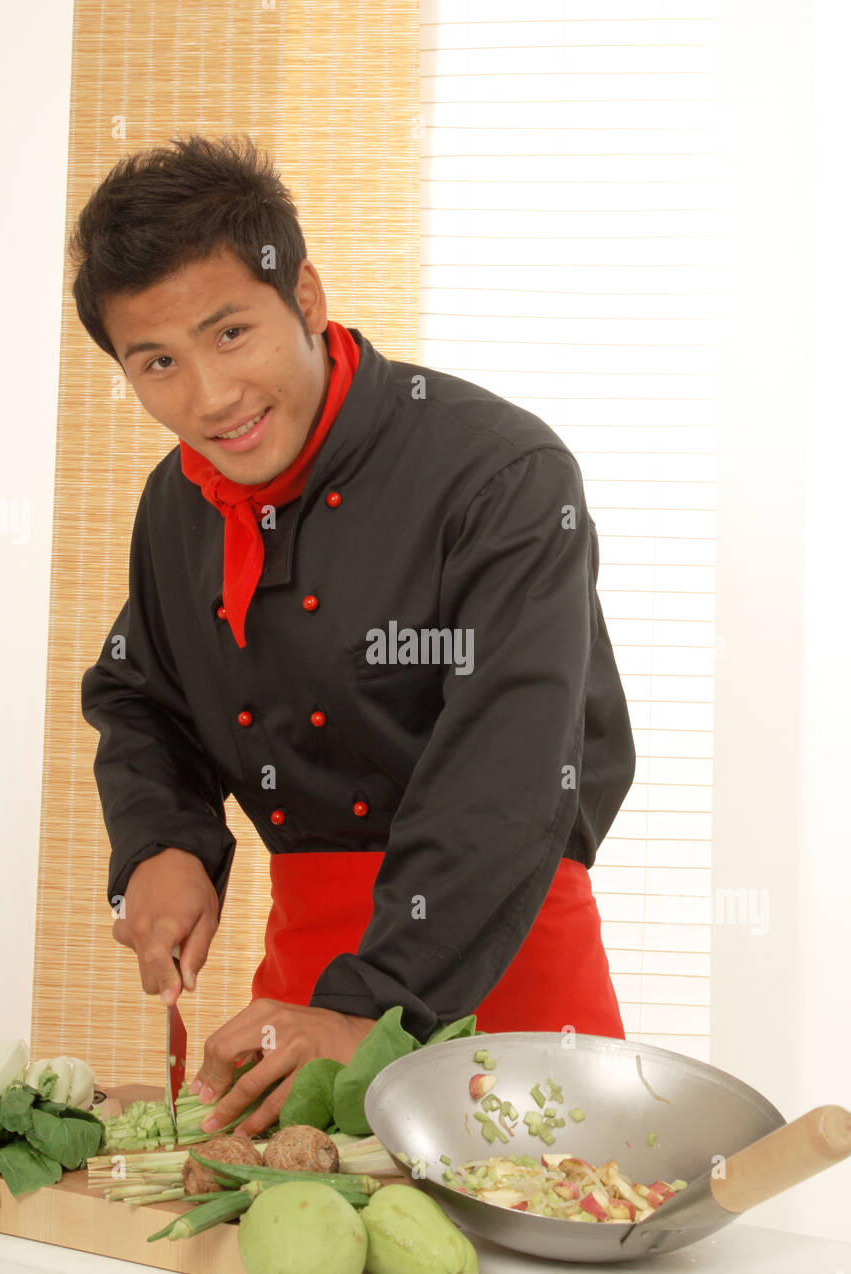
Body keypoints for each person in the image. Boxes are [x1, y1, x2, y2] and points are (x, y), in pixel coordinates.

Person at [73, 134, 637, 1138]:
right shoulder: (177, 503)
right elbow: (139, 691)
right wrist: (161, 838)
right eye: (156, 361)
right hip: (303, 983)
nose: (207, 397)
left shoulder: (500, 473)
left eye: (230, 332)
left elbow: (506, 777)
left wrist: (365, 1004)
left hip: (497, 956)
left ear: (306, 298)